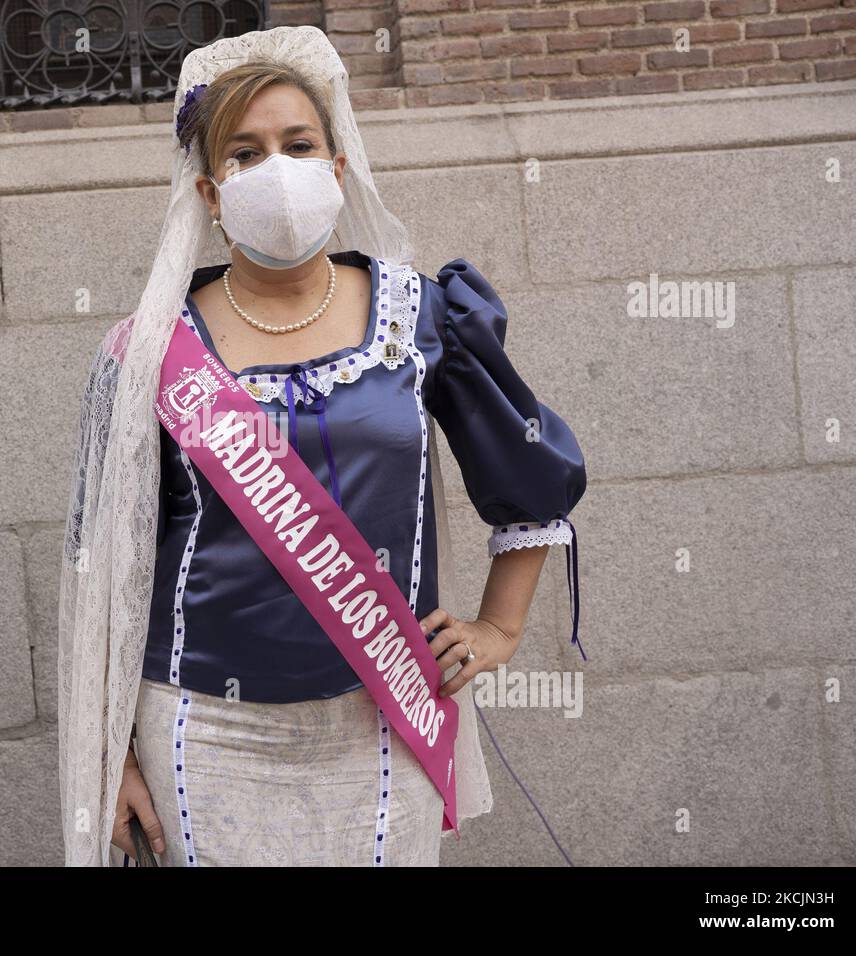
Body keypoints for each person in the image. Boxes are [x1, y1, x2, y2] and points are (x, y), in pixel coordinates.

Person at [58, 25, 586, 867]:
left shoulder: (423, 314)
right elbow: (104, 569)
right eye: (245, 153)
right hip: (204, 727)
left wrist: (498, 629)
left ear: (337, 167)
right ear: (208, 190)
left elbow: (528, 472)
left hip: (383, 718)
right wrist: (112, 756)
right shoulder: (149, 352)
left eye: (298, 144)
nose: (278, 169)